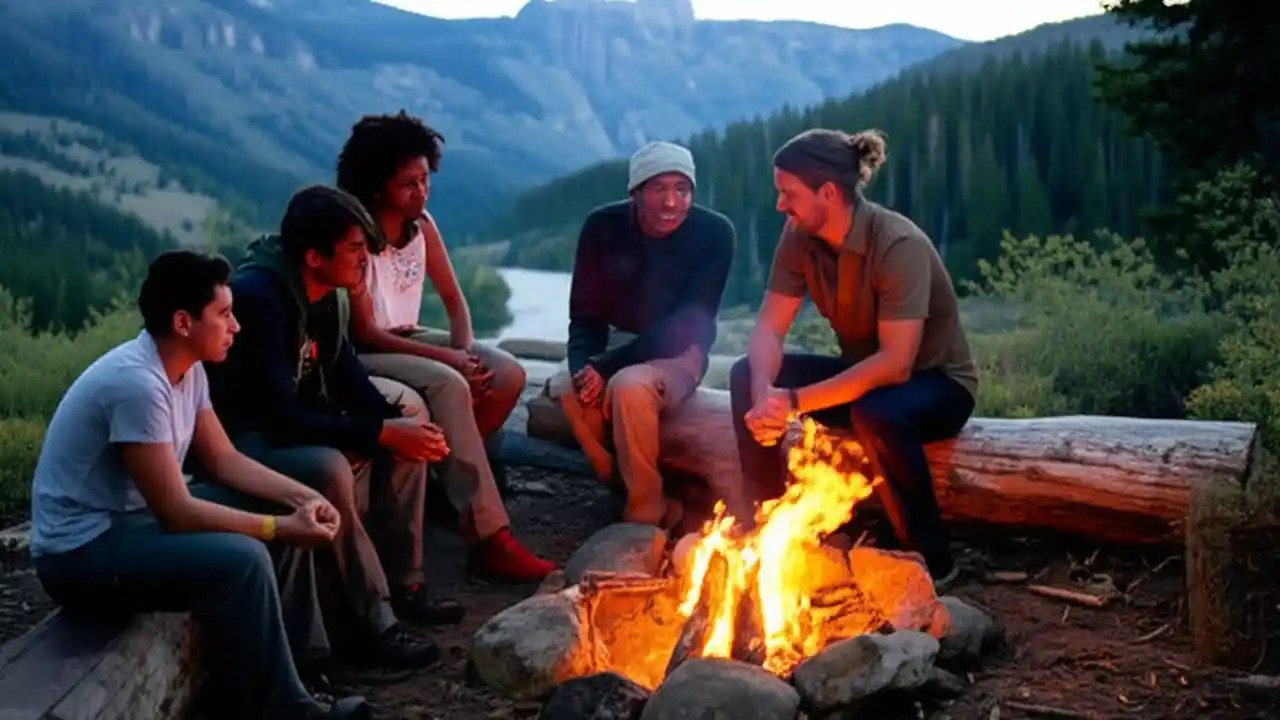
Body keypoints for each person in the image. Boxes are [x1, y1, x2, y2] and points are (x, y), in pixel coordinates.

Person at [28, 250, 369, 719]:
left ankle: (302, 668)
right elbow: (177, 510)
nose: (237, 326)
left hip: (130, 521)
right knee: (244, 557)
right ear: (184, 322)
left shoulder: (187, 370)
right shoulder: (138, 385)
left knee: (270, 507)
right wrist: (278, 527)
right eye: (225, 314)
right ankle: (286, 711)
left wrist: (304, 498)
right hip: (81, 552)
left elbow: (225, 461)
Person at [207, 185, 459, 670]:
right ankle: (374, 625)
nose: (365, 260)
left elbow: (346, 373)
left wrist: (396, 428)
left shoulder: (325, 295)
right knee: (326, 467)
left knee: (409, 434)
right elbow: (276, 418)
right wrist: (378, 434)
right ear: (313, 256)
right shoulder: (261, 299)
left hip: (286, 423)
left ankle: (406, 582)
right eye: (354, 249)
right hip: (239, 443)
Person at [730, 128, 979, 588]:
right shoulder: (799, 235)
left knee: (876, 411)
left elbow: (895, 364)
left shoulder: (895, 244)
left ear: (827, 192)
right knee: (745, 372)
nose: (780, 205)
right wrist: (765, 394)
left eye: (788, 194)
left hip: (938, 383)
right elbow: (769, 328)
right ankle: (761, 522)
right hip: (868, 378)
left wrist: (792, 402)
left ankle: (932, 563)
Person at [335, 110, 555, 583]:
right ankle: (488, 536)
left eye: (425, 179)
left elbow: (455, 302)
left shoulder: (423, 226)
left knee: (507, 372)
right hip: (366, 348)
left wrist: (467, 352)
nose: (422, 191)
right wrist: (450, 362)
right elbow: (368, 333)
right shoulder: (355, 235)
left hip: (409, 336)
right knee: (451, 383)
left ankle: (444, 481)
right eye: (408, 184)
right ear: (377, 187)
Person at [552, 140, 735, 529]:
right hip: (617, 344)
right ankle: (643, 495)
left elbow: (686, 325)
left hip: (678, 350)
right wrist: (584, 367)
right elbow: (584, 315)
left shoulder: (715, 233)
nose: (671, 202)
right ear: (635, 192)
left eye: (682, 190)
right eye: (659, 189)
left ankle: (643, 515)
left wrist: (606, 367)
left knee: (629, 388)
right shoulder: (602, 226)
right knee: (567, 391)